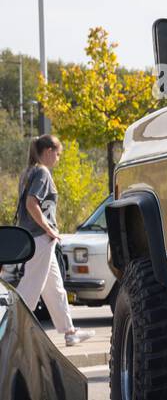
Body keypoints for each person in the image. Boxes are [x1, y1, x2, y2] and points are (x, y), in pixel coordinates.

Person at [14, 135, 94, 346]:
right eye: (58, 154)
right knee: (31, 287)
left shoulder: (28, 172)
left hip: (35, 238)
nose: (58, 159)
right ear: (49, 151)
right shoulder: (42, 172)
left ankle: (69, 332)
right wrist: (49, 229)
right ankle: (9, 329)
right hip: (40, 237)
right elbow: (32, 204)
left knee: (55, 288)